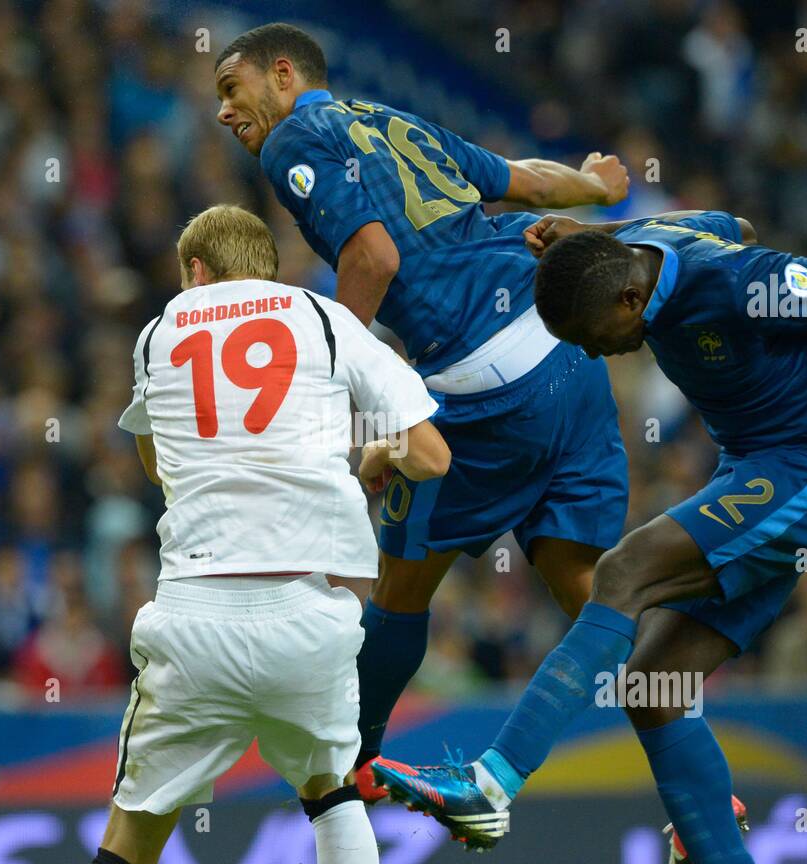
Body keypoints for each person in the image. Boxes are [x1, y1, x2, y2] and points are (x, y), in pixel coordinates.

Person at [374, 210, 807, 863]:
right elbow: (733, 222)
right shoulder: (634, 258)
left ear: (631, 298)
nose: (597, 353)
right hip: (754, 466)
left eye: (596, 338)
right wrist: (589, 235)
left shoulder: (736, 284)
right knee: (653, 684)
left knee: (625, 571)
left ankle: (489, 785)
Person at [213, 23, 631, 805]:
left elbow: (373, 258)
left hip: (489, 386)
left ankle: (353, 769)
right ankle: (699, 790)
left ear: (280, 74)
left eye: (231, 91)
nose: (226, 114)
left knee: (401, 586)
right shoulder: (392, 120)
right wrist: (597, 188)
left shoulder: (292, 140)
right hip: (569, 353)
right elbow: (527, 183)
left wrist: (337, 383)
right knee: (596, 597)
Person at [93, 204, 449, 864]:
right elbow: (431, 457)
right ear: (266, 269)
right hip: (309, 615)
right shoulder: (322, 318)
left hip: (195, 614)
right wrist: (371, 450)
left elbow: (158, 468)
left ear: (196, 271)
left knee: (134, 831)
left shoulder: (158, 333)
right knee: (332, 794)